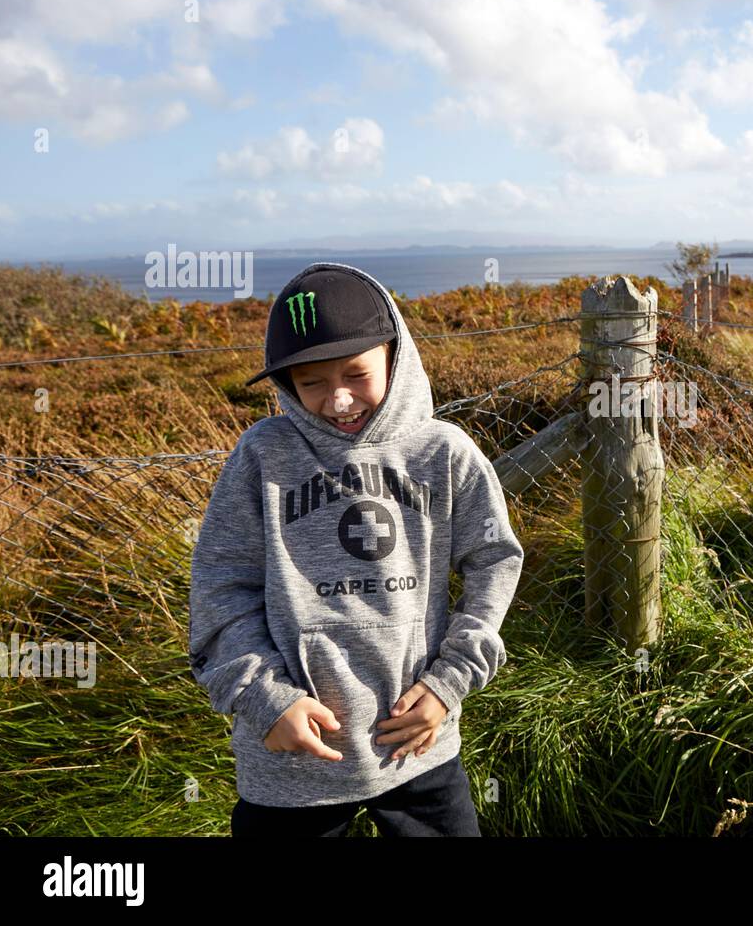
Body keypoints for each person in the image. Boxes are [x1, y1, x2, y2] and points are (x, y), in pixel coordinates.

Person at [188, 262, 524, 836]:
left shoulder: (445, 453)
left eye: (356, 372)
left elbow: (494, 559)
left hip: (419, 744)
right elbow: (222, 587)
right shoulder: (262, 456)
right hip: (292, 762)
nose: (338, 399)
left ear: (395, 355)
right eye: (311, 382)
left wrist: (450, 683)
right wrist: (265, 700)